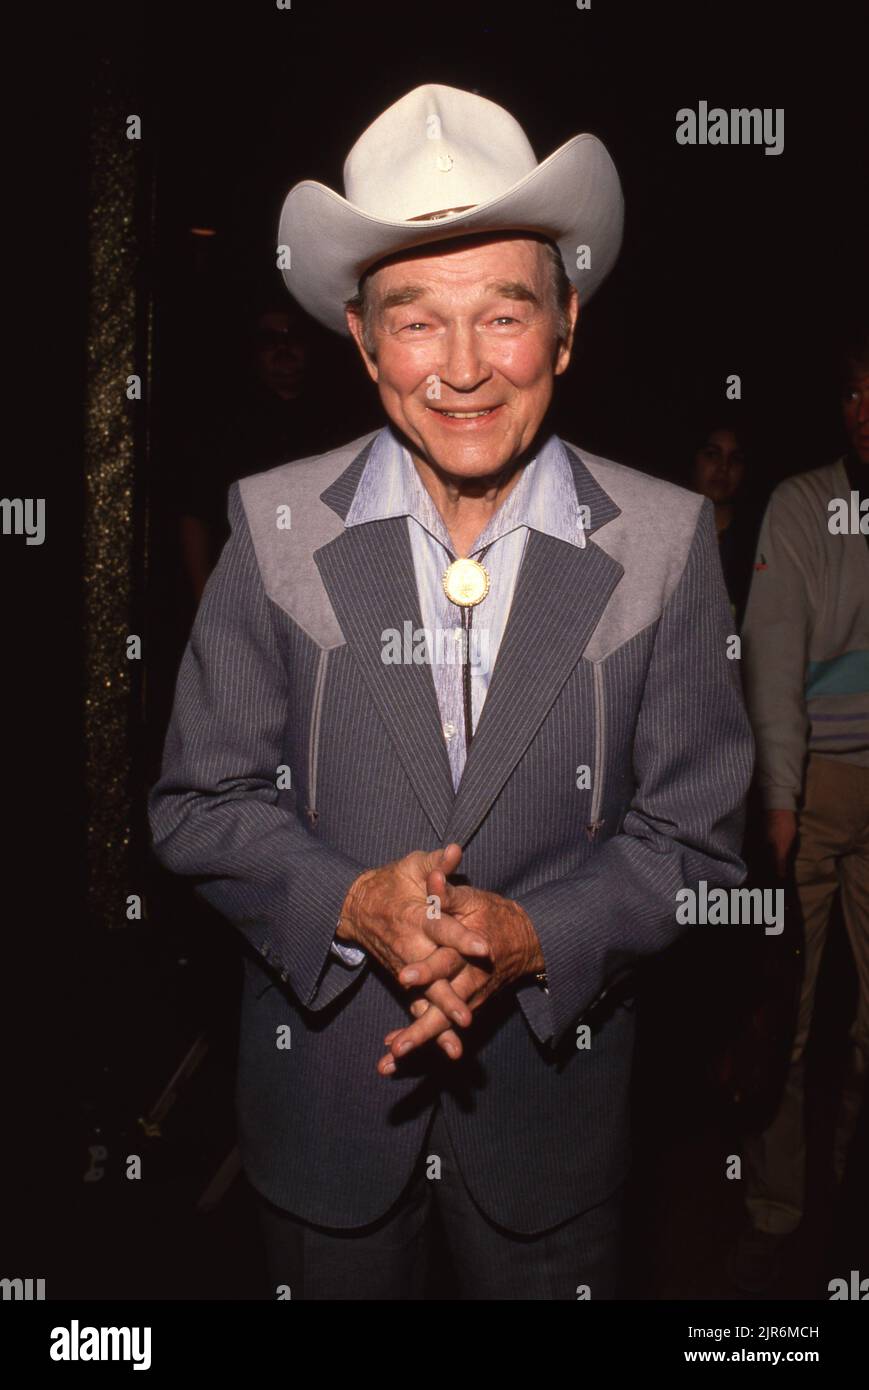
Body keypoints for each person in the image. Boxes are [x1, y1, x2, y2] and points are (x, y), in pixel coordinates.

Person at [148, 83, 754, 1300]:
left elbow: (699, 844)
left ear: (566, 325)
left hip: (554, 1136)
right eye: (417, 321)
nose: (464, 370)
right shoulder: (271, 529)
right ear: (363, 340)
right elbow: (195, 804)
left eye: (504, 314)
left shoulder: (663, 540)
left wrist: (534, 935)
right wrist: (348, 902)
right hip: (325, 1126)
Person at [731, 321, 869, 1293]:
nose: (864, 411)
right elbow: (771, 664)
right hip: (815, 789)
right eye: (853, 391)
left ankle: (848, 1202)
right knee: (788, 1012)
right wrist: (778, 804)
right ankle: (774, 1204)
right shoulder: (798, 504)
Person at [687, 419, 763, 629]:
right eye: (712, 454)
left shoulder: (759, 542)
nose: (723, 467)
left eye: (735, 459)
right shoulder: (667, 534)